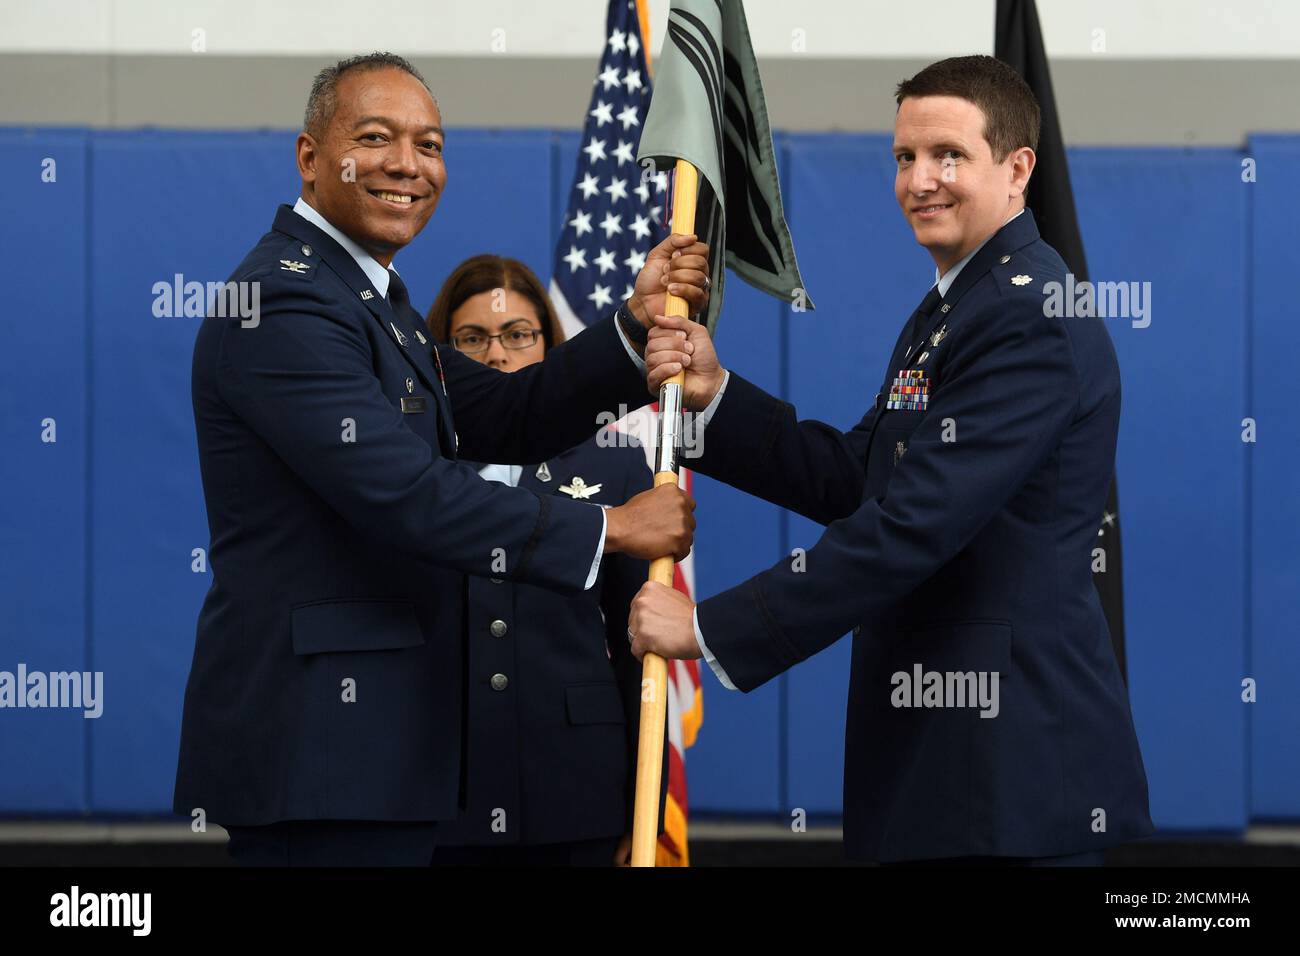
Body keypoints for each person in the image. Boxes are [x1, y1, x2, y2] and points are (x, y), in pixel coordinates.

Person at [174, 52, 710, 866]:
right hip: (322, 756)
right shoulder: (283, 302)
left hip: (377, 759)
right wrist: (610, 528)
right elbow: (405, 493)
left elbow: (508, 409)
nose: (408, 164)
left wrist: (633, 326)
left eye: (430, 144)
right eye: (377, 138)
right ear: (310, 158)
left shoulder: (365, 298)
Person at [630, 55, 1153, 865]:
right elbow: (858, 479)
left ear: (1017, 170)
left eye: (949, 155)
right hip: (941, 773)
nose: (920, 180)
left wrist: (708, 628)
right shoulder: (954, 308)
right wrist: (717, 395)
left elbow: (912, 525)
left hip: (1010, 787)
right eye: (905, 157)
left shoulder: (1029, 316)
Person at [423, 255, 661, 867]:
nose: (497, 355)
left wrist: (646, 806)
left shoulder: (613, 464)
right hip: (441, 794)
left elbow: (641, 646)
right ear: (442, 355)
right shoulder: (408, 467)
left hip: (577, 786)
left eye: (517, 335)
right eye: (472, 338)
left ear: (548, 345)